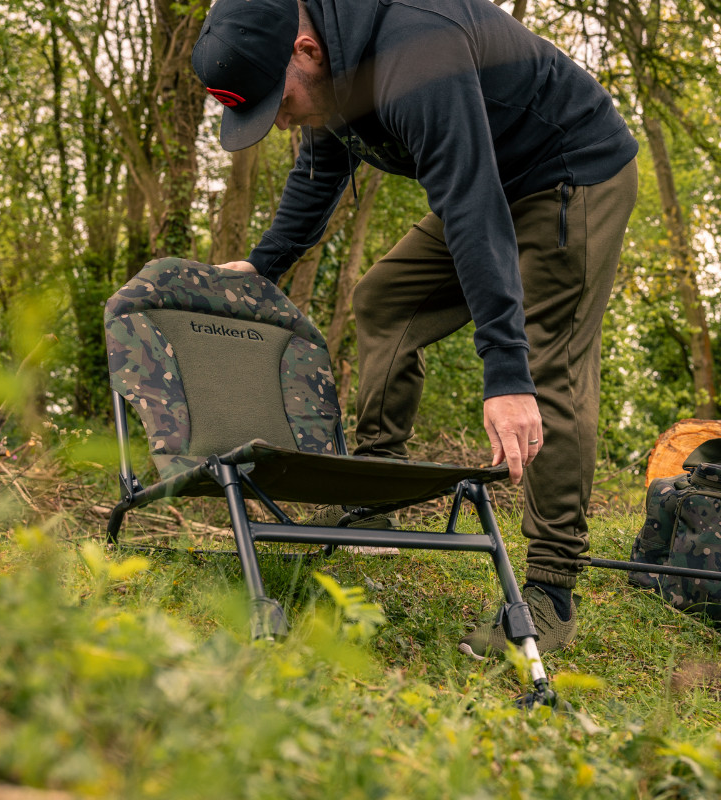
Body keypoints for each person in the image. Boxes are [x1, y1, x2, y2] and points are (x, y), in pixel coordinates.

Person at [191, 0, 638, 657]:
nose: (278, 120)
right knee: (384, 301)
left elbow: (469, 199)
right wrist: (264, 267)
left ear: (305, 51)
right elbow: (320, 172)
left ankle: (550, 588)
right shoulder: (331, 64)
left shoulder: (413, 52)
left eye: (276, 104)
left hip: (569, 173)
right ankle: (375, 497)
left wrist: (506, 377)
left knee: (547, 369)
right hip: (488, 182)